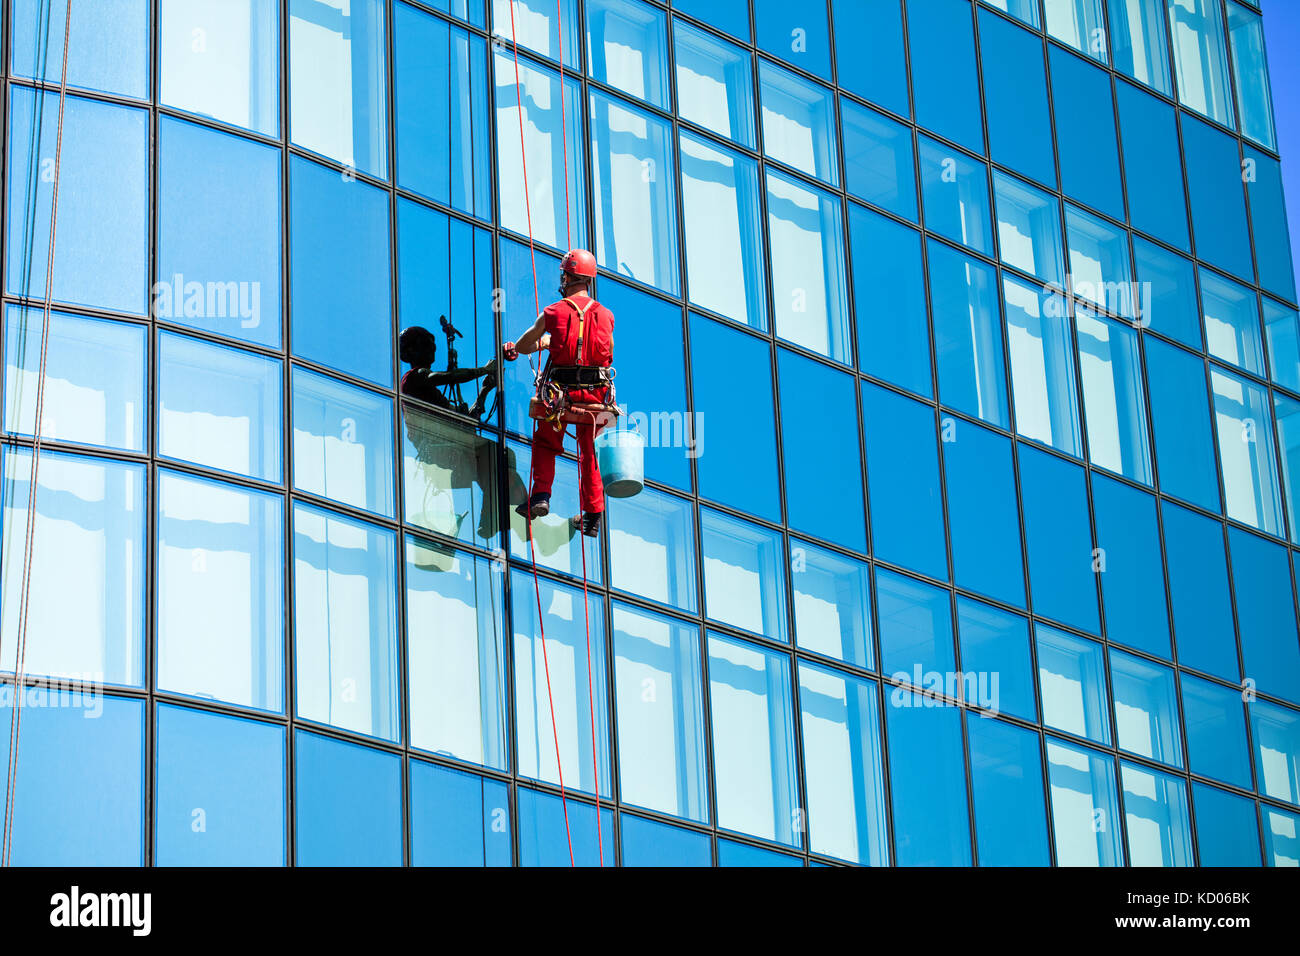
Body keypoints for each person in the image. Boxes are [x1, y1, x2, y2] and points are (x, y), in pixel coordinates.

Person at [503, 249, 614, 538]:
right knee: (590, 454)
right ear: (588, 280)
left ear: (567, 277)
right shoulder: (605, 315)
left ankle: (541, 496)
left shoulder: (553, 312)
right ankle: (592, 516)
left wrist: (524, 346)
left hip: (560, 394)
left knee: (546, 441)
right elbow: (601, 352)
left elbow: (528, 344)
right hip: (594, 397)